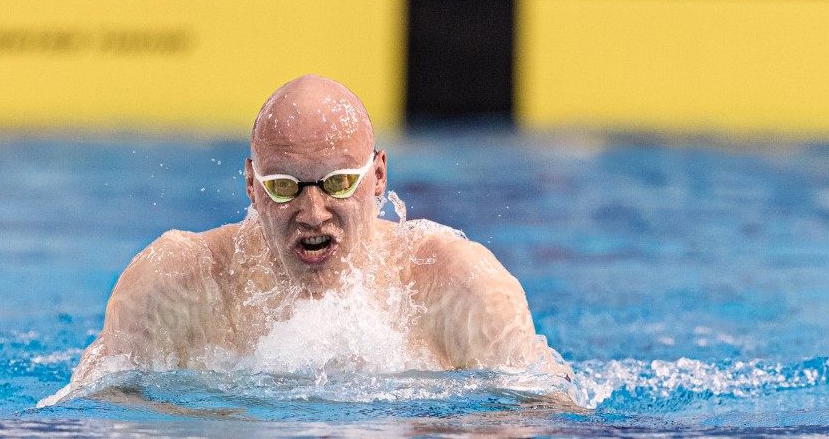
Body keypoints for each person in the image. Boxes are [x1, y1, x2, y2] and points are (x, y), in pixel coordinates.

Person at [38, 74, 571, 407]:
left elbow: (545, 423)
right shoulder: (175, 283)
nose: (312, 213)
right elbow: (94, 416)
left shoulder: (459, 286)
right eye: (283, 187)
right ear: (250, 184)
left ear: (378, 177)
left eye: (339, 183)